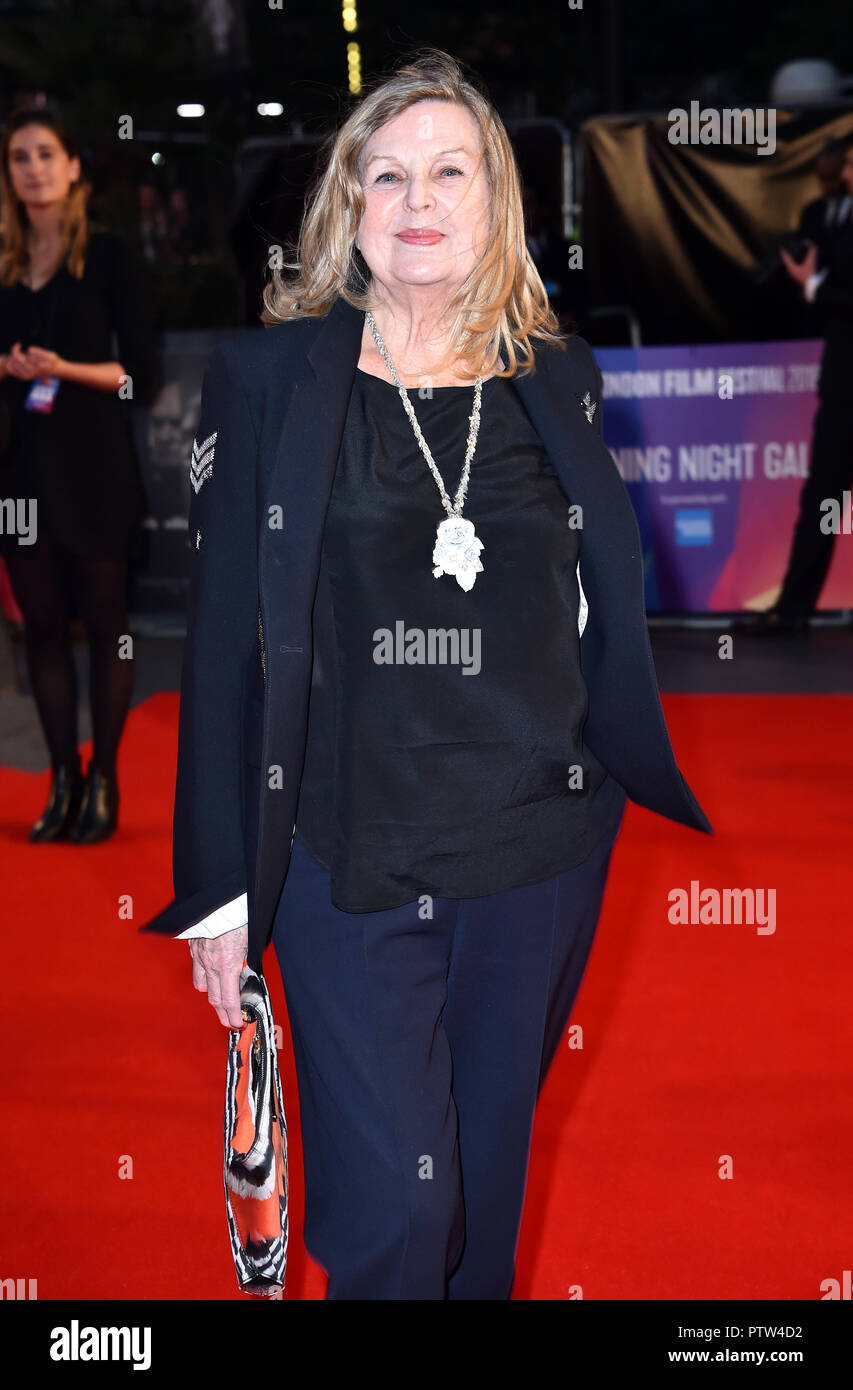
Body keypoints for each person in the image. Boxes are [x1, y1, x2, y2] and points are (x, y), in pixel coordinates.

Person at [141, 50, 712, 1300]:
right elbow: (226, 643)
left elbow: (582, 597)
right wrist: (218, 890)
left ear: (493, 200)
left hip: (536, 857)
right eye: (385, 174)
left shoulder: (554, 376)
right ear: (348, 207)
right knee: (405, 1216)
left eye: (448, 170)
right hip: (344, 861)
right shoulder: (272, 383)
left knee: (482, 1215)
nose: (416, 198)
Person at [0, 106, 157, 839]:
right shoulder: (1, 262)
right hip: (20, 469)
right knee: (40, 631)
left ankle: (104, 781)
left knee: (103, 625)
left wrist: (61, 368)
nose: (31, 168)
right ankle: (60, 778)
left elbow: (142, 377)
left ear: (72, 169)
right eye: (19, 157)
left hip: (94, 465)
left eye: (44, 154)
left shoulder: (112, 256)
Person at [763, 135, 853, 632]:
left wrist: (814, 285)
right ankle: (792, 610)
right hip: (841, 386)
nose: (845, 172)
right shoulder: (831, 217)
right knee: (822, 495)